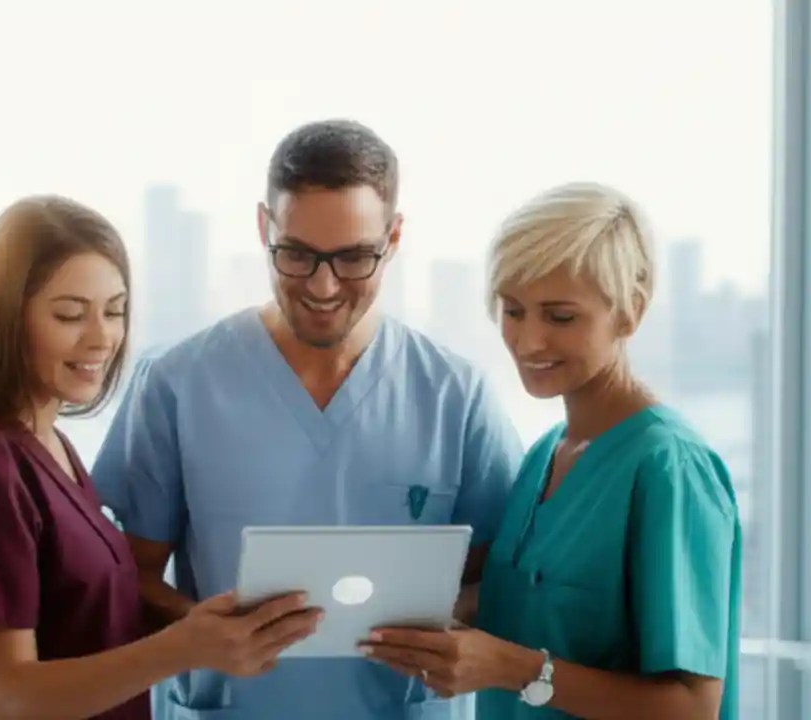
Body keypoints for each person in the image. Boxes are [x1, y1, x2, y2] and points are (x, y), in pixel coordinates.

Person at [90, 119, 524, 720]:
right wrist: (203, 633)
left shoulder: (456, 395)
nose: (323, 286)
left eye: (353, 259)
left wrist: (447, 632)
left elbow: (497, 583)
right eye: (296, 255)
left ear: (393, 238)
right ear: (265, 227)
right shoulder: (177, 383)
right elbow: (126, 575)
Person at [0, 196, 322, 720]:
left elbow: (88, 613)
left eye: (114, 311)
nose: (102, 338)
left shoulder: (50, 445)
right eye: (69, 314)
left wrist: (211, 624)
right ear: (1, 317)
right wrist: (186, 647)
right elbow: (14, 698)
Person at [360, 182, 742, 719]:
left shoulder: (667, 468)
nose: (528, 341)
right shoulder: (545, 455)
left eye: (560, 317)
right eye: (513, 311)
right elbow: (532, 607)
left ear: (630, 311)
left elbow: (692, 708)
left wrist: (508, 668)